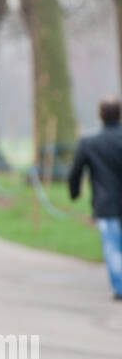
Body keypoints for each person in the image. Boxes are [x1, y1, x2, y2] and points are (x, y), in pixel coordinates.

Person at [68, 96, 122, 299]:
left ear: (101, 116)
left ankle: (120, 288)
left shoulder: (90, 143)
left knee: (112, 246)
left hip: (105, 203)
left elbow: (75, 172)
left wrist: (74, 193)